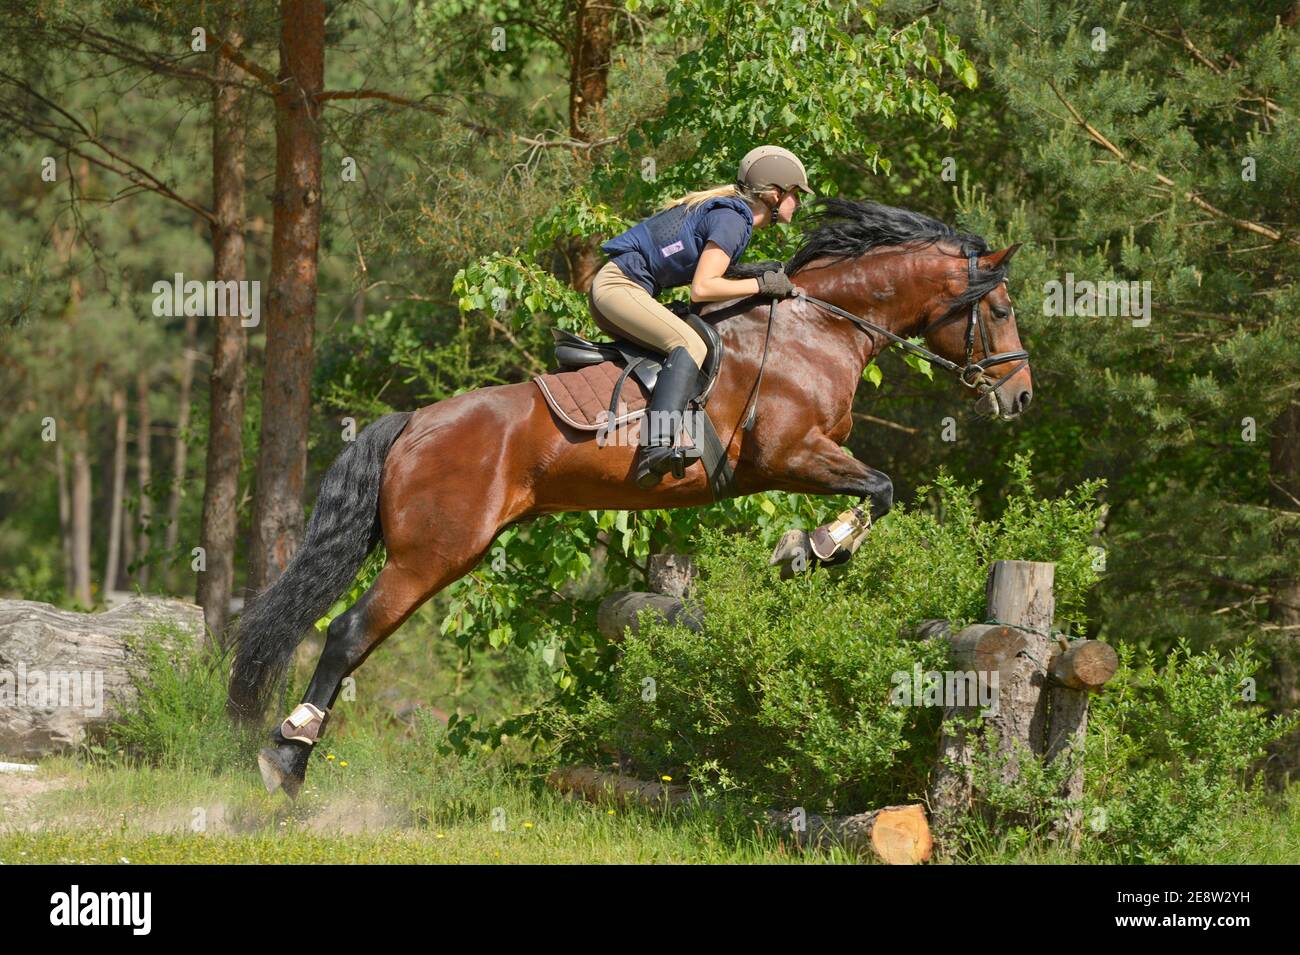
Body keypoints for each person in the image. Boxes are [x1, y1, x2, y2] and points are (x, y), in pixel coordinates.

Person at [589, 145, 814, 488]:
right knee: (690, 343)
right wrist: (759, 285)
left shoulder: (733, 216)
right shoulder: (734, 220)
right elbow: (703, 289)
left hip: (628, 289)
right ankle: (655, 445)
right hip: (617, 288)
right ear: (774, 194)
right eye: (796, 194)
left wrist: (756, 275)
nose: (798, 202)